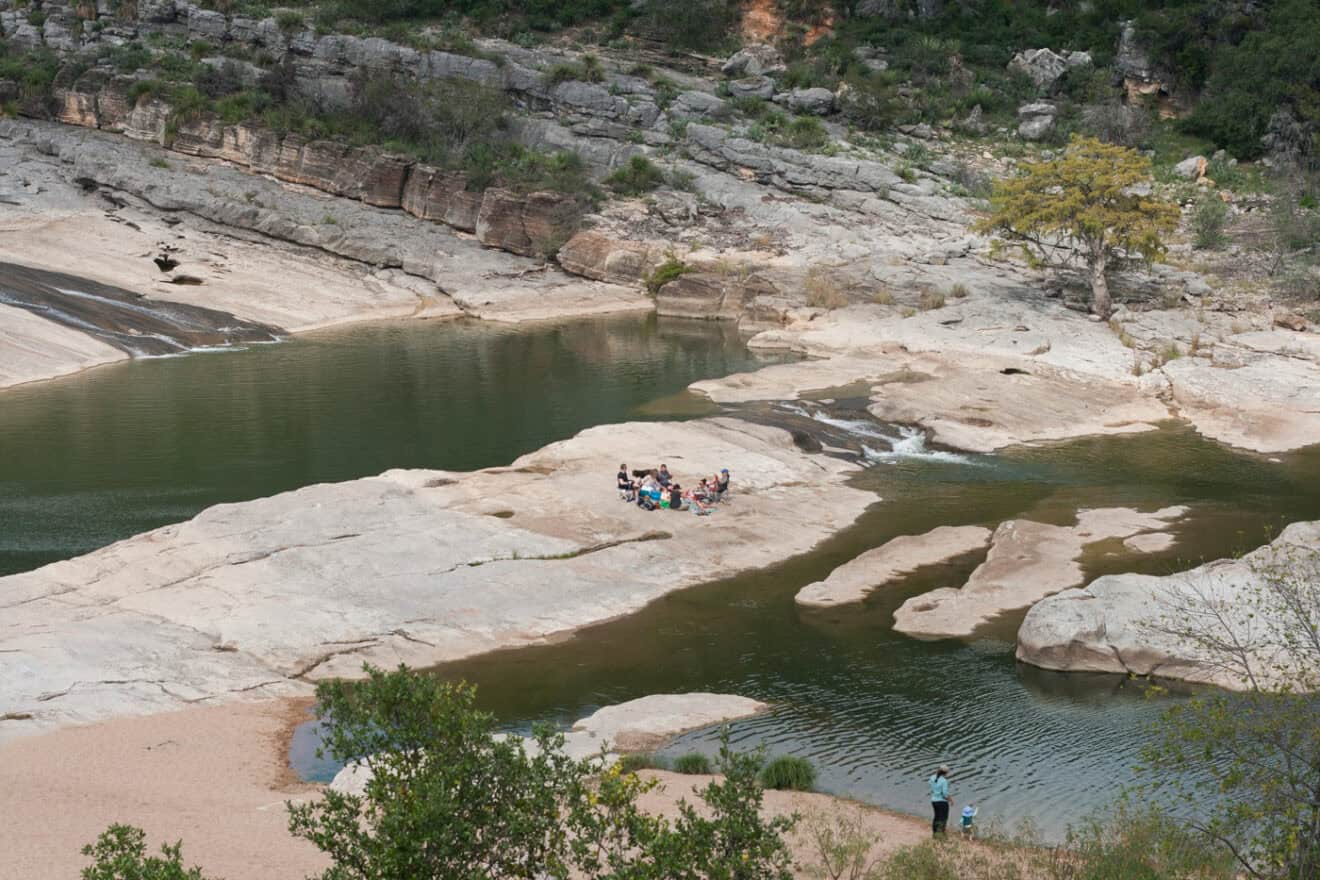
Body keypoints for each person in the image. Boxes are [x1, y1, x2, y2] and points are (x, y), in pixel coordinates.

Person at [929, 765, 952, 837]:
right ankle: (942, 833)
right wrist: (950, 800)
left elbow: (930, 785)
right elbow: (945, 794)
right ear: (945, 773)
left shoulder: (932, 778)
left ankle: (935, 832)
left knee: (936, 817)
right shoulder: (944, 781)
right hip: (942, 802)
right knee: (944, 818)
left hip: (934, 801)